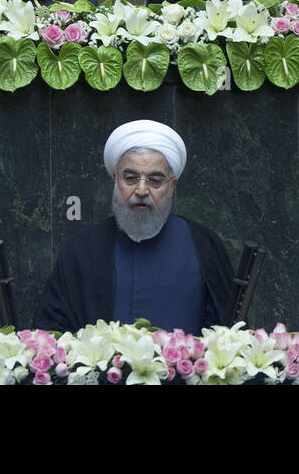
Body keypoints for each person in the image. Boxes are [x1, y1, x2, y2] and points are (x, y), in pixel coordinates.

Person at [32, 119, 234, 334]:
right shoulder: (81, 249)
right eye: (130, 178)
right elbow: (49, 336)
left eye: (155, 180)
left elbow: (228, 336)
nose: (141, 190)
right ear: (115, 179)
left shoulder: (204, 245)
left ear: (172, 186)